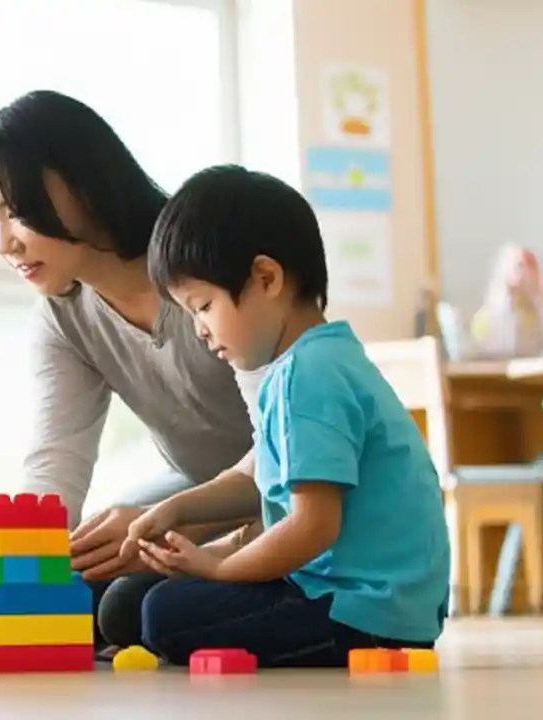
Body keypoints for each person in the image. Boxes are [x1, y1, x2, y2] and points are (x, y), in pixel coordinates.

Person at [0, 90, 258, 648]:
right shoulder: (63, 317)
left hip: (295, 488)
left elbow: (293, 440)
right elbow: (55, 475)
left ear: (83, 183)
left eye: (15, 211)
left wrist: (165, 522)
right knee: (81, 579)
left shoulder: (204, 266)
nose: (2, 243)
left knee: (130, 601)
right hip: (196, 493)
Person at [129, 164, 449, 665]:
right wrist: (180, 509)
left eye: (204, 306)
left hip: (363, 612)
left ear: (265, 278)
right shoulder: (313, 362)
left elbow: (312, 526)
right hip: (360, 599)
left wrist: (219, 568)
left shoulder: (309, 375)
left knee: (161, 613)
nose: (200, 331)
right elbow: (265, 478)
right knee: (137, 603)